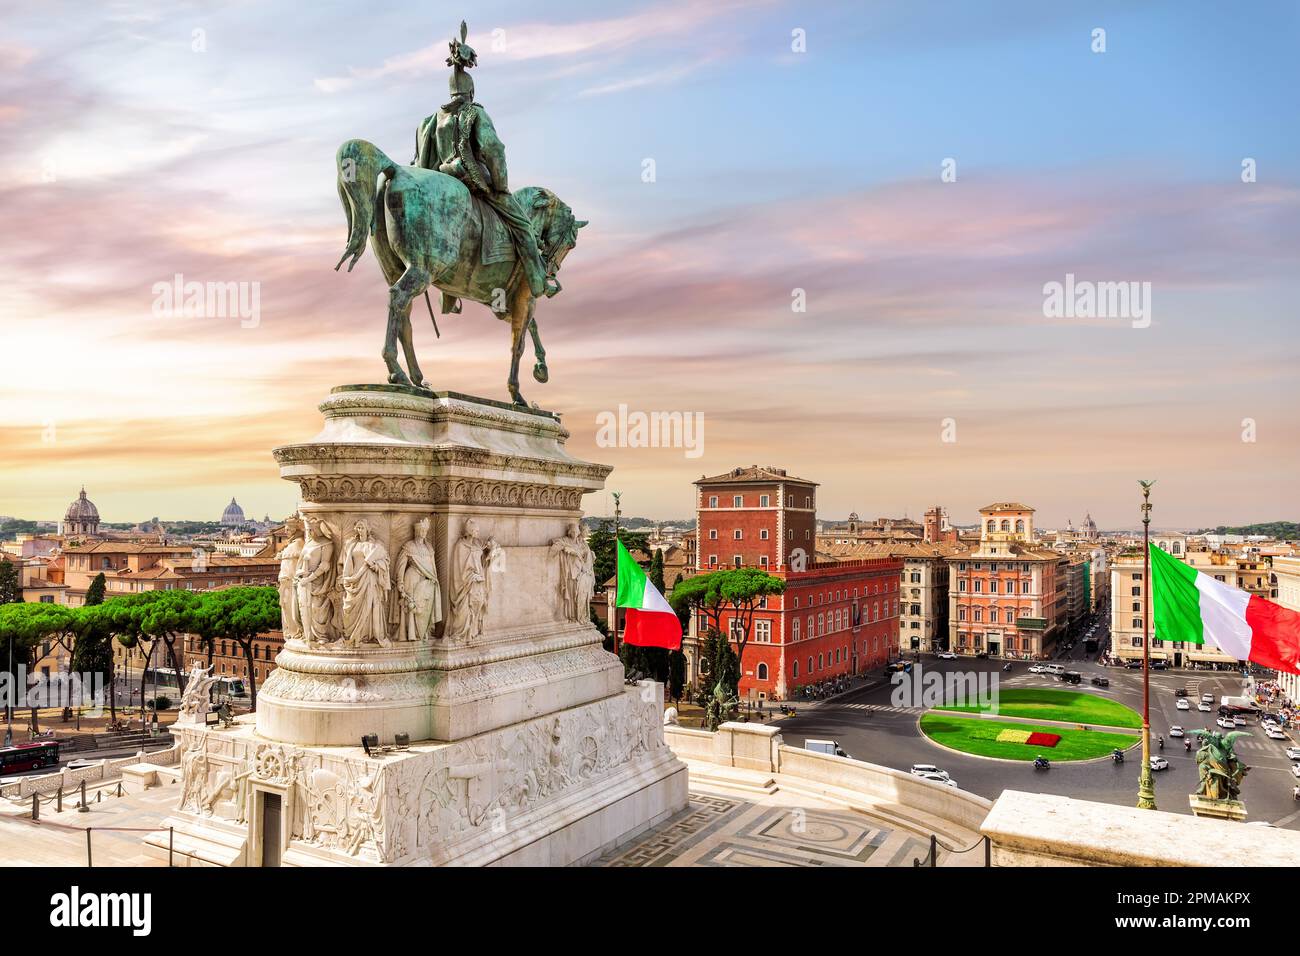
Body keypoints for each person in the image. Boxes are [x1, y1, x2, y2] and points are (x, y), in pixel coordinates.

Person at [414, 21, 551, 311]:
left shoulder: (433, 120)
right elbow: (493, 148)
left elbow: (421, 159)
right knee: (524, 225)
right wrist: (499, 186)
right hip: (471, 177)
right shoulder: (474, 113)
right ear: (471, 91)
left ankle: (449, 295)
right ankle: (539, 280)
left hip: (442, 174)